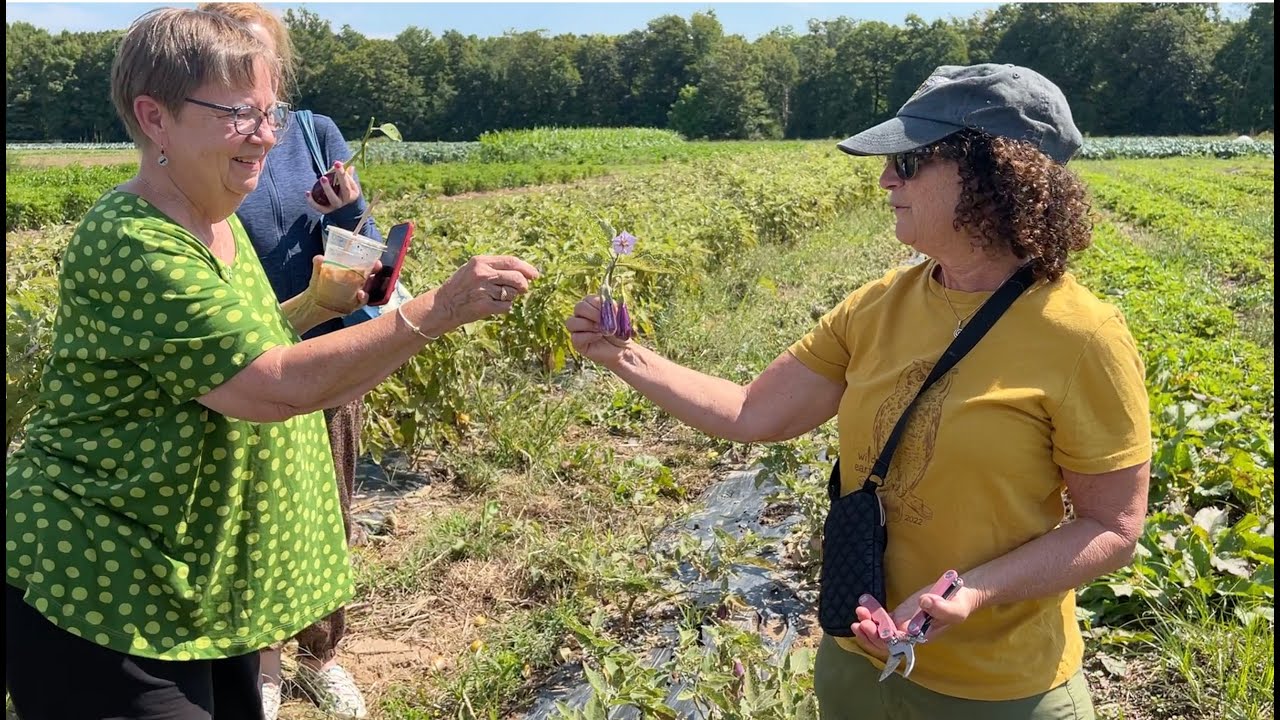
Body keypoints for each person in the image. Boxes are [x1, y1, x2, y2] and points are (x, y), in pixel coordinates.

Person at [567, 63, 1150, 719]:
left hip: (1000, 691)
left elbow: (1112, 526)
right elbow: (751, 411)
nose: (886, 178)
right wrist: (620, 354)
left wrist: (977, 591)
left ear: (995, 174)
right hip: (857, 664)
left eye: (910, 160)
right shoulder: (878, 306)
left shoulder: (1083, 338)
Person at [4, 8, 538, 720]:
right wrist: (432, 311)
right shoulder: (134, 240)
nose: (266, 136)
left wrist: (314, 308)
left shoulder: (215, 220)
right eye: (239, 114)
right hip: (106, 586)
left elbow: (226, 356)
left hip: (195, 583)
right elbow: (268, 386)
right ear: (154, 117)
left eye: (271, 113)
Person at [197, 4, 376, 717]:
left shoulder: (312, 132)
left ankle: (321, 653)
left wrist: (350, 211)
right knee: (251, 509)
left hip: (324, 346)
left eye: (260, 60)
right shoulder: (203, 144)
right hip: (245, 351)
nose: (256, 117)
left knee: (327, 504)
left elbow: (356, 247)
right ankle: (264, 659)